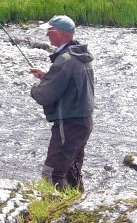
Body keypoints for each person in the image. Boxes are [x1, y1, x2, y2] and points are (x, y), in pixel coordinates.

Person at [29, 14, 95, 191]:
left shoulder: (64, 60)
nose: (46, 35)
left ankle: (55, 213)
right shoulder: (80, 54)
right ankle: (77, 206)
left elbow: (44, 95)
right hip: (83, 121)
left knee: (53, 172)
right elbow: (72, 82)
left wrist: (35, 88)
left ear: (60, 33)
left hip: (70, 123)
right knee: (72, 170)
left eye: (49, 31)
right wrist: (48, 76)